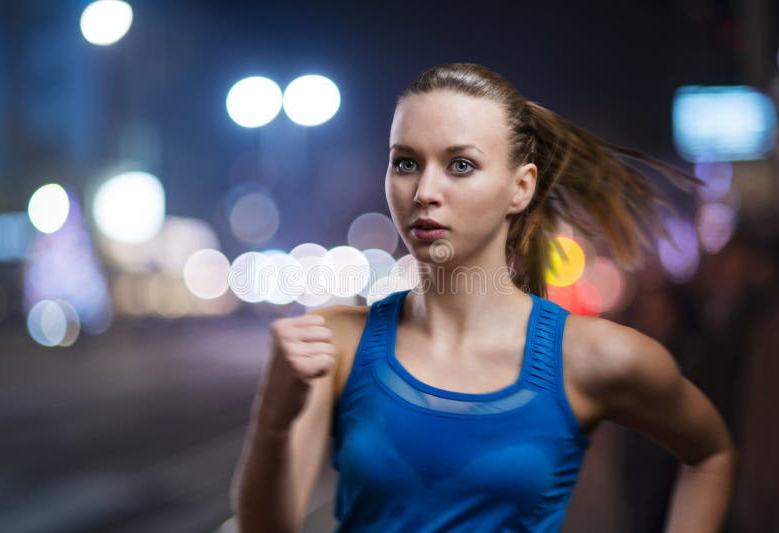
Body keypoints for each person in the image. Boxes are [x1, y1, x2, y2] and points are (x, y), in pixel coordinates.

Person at [230, 63, 736, 532]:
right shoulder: (336, 341)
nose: (424, 190)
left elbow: (710, 454)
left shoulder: (592, 356)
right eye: (405, 163)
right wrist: (274, 419)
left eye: (461, 165)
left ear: (521, 188)